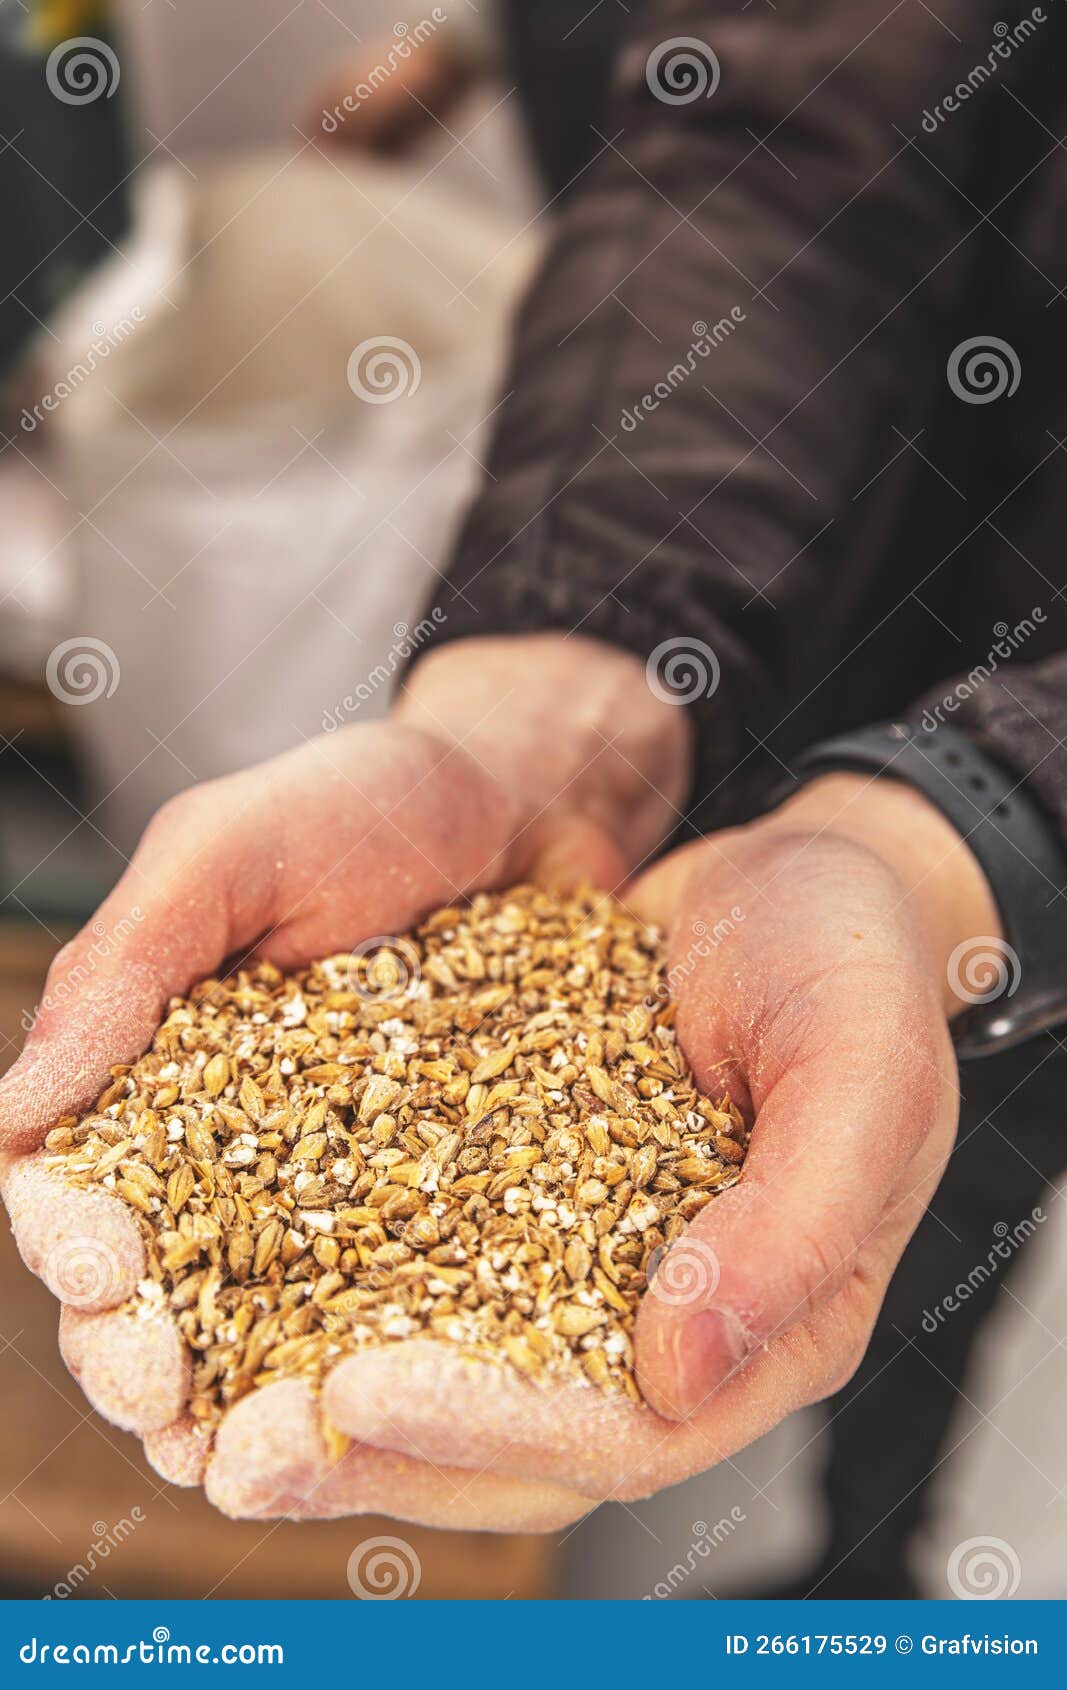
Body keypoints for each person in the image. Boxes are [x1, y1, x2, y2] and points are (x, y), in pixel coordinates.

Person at [2, 0, 1067, 1588]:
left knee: (942, 1145)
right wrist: (566, 684)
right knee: (830, 1089)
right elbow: (776, 137)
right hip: (818, 593)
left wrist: (978, 826)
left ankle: (871, 1553)